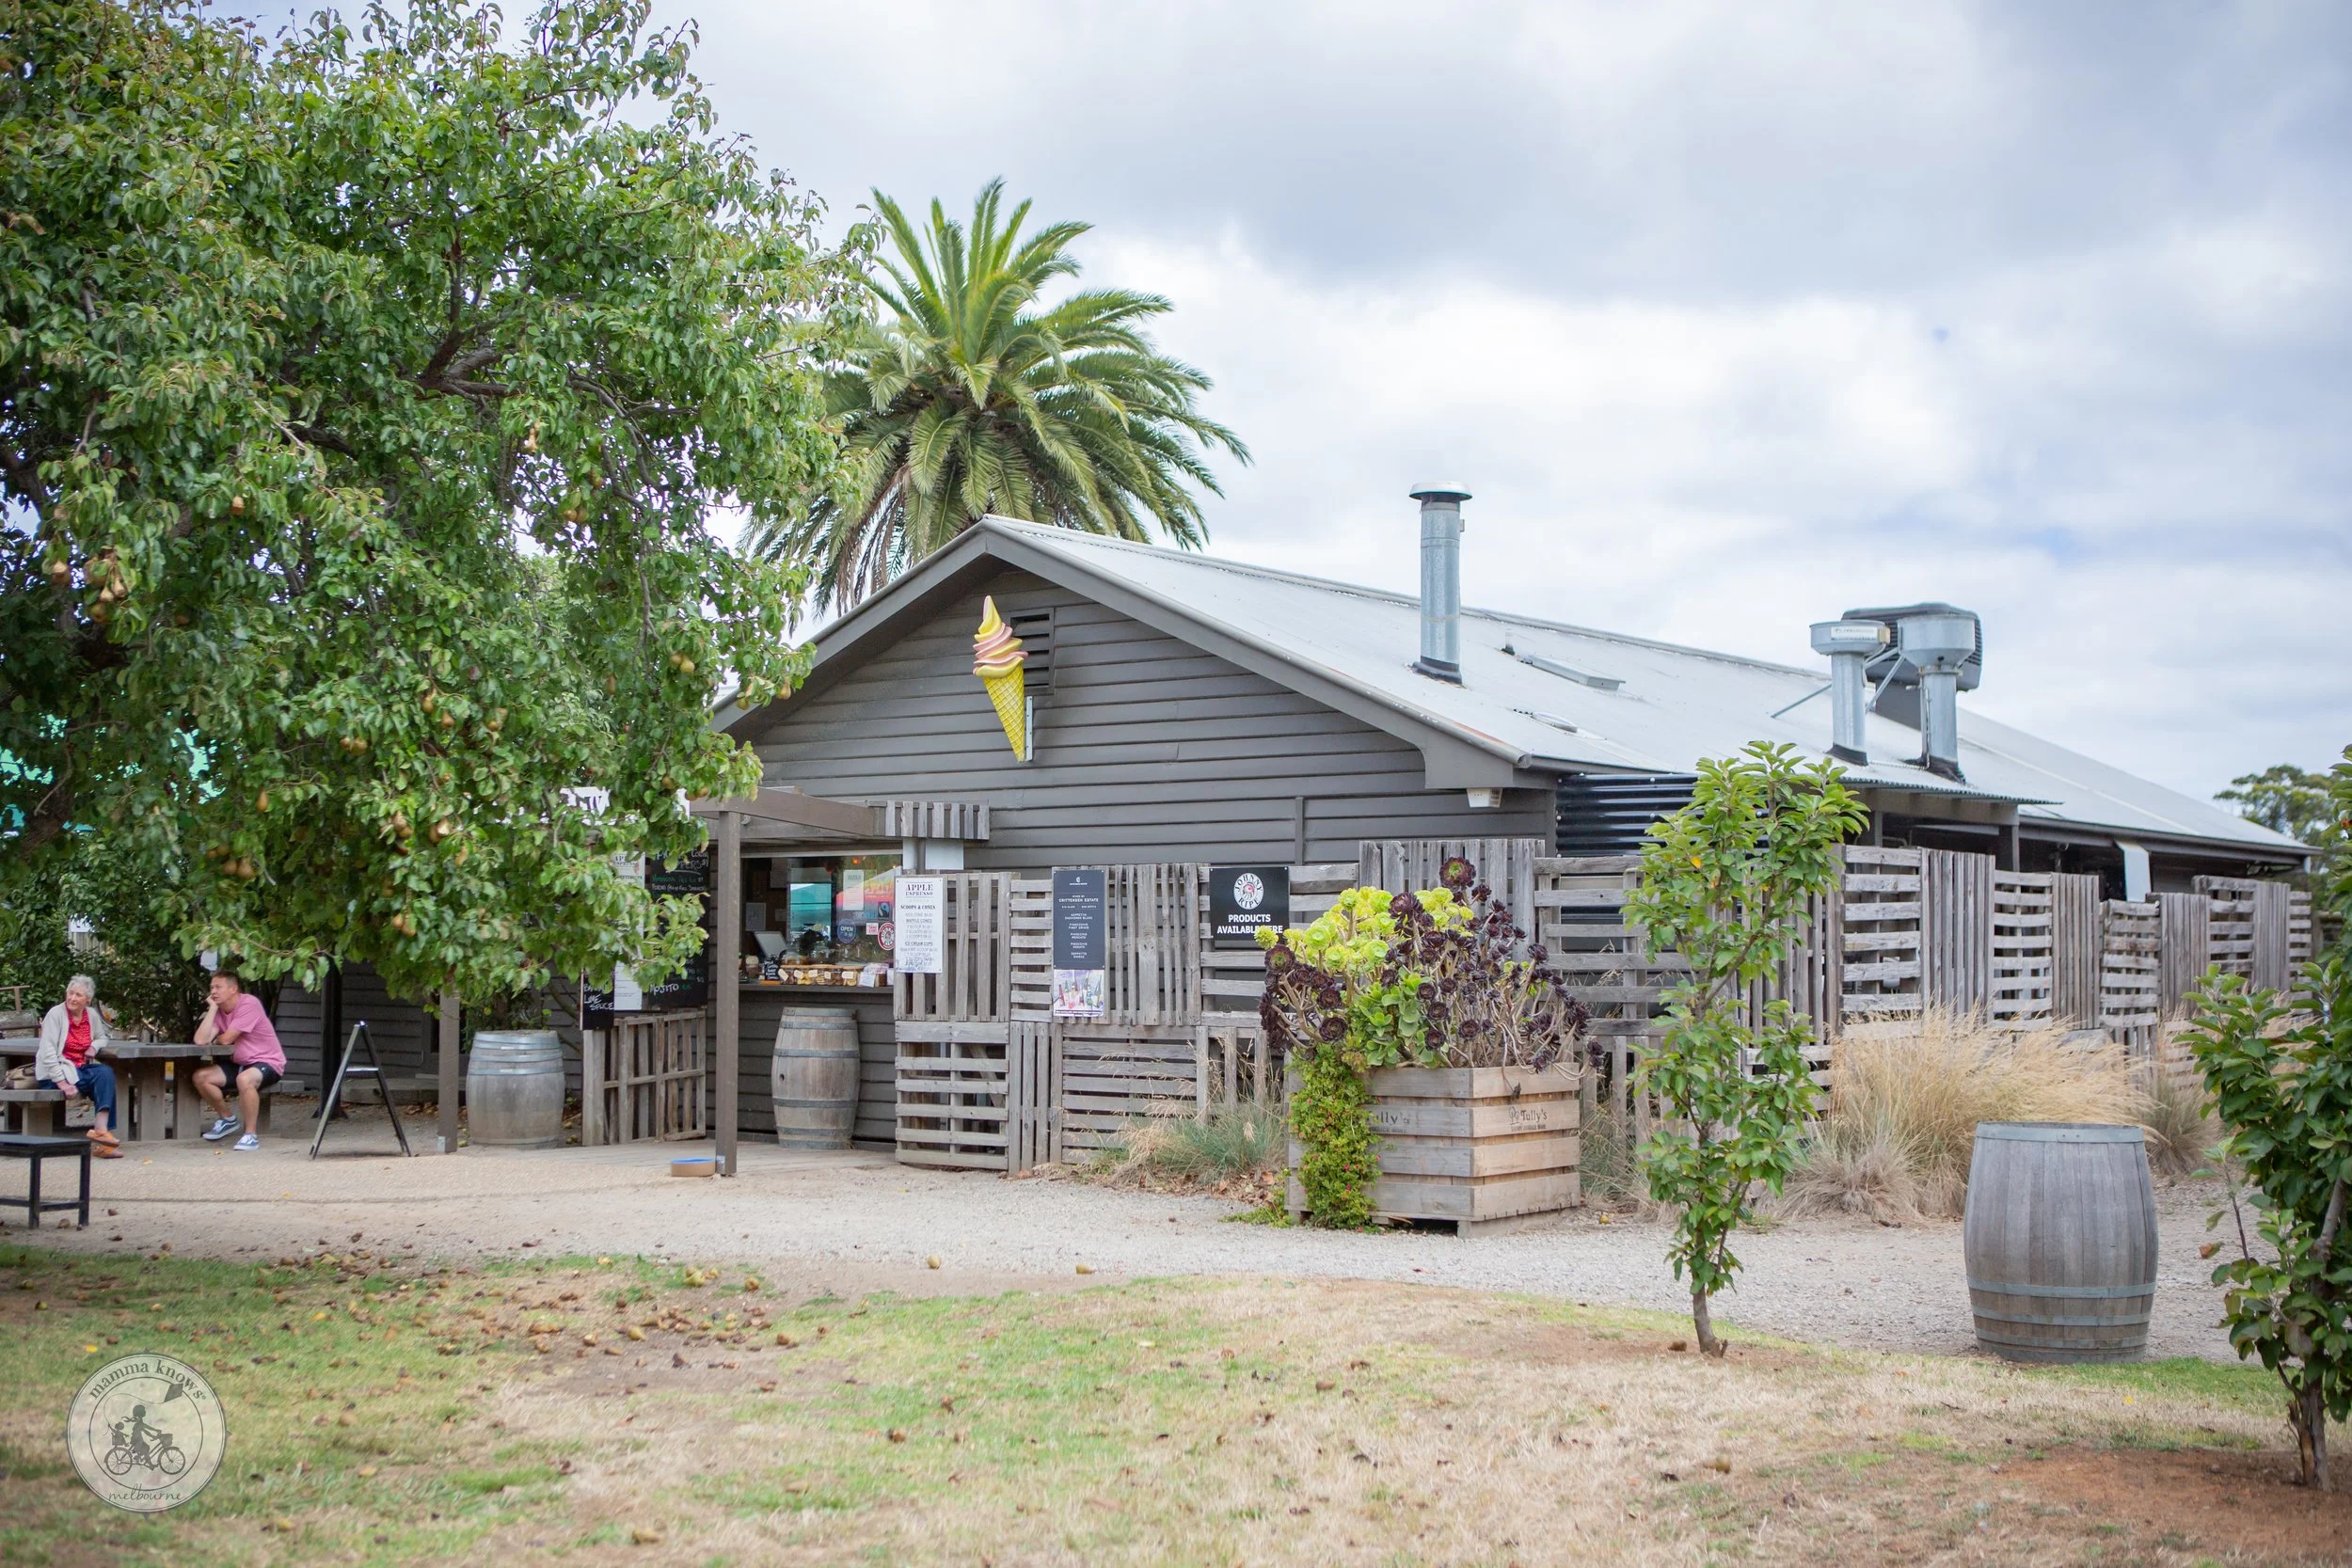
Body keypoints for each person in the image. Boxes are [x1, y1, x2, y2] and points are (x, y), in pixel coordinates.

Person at [190, 970, 283, 1151]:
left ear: (233, 989)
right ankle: (227, 1119)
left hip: (267, 1062)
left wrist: (218, 1038)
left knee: (244, 1080)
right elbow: (201, 1040)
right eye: (211, 987)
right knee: (201, 1077)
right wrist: (212, 1009)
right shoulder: (219, 1010)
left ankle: (250, 1135)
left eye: (218, 987)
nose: (213, 991)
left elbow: (226, 1039)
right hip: (240, 1063)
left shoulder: (249, 1004)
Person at [35, 974, 120, 1157]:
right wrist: (62, 1083)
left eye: (78, 995)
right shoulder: (55, 1014)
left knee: (105, 1074)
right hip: (55, 1074)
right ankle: (102, 1142)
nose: (73, 998)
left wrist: (93, 1046)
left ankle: (101, 1131)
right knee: (99, 1077)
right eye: (70, 993)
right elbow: (47, 1052)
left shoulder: (91, 1016)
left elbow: (102, 1037)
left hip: (78, 1070)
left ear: (87, 1000)